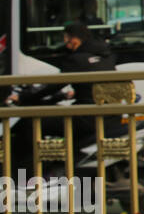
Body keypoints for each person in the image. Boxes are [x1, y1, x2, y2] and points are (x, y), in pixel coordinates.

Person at [5, 22, 119, 173]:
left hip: (88, 117)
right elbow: (93, 85)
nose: (65, 43)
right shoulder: (106, 56)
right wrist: (69, 94)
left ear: (73, 40)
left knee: (32, 124)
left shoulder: (77, 59)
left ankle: (25, 173)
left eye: (65, 38)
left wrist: (22, 97)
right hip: (111, 115)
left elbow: (53, 85)